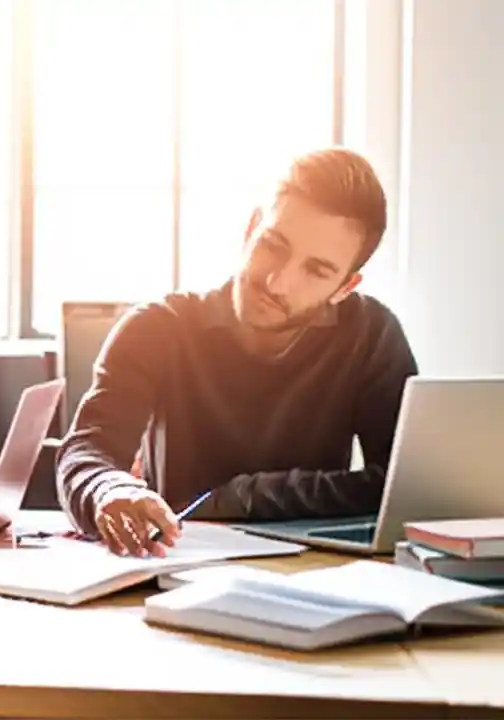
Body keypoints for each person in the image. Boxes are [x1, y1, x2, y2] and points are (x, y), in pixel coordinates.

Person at [56, 147, 419, 557]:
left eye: (315, 271)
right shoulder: (156, 327)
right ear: (251, 228)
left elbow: (402, 484)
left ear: (344, 288)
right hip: (175, 566)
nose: (278, 282)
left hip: (316, 570)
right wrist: (110, 488)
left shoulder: (371, 335)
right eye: (274, 245)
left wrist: (245, 496)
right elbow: (86, 452)